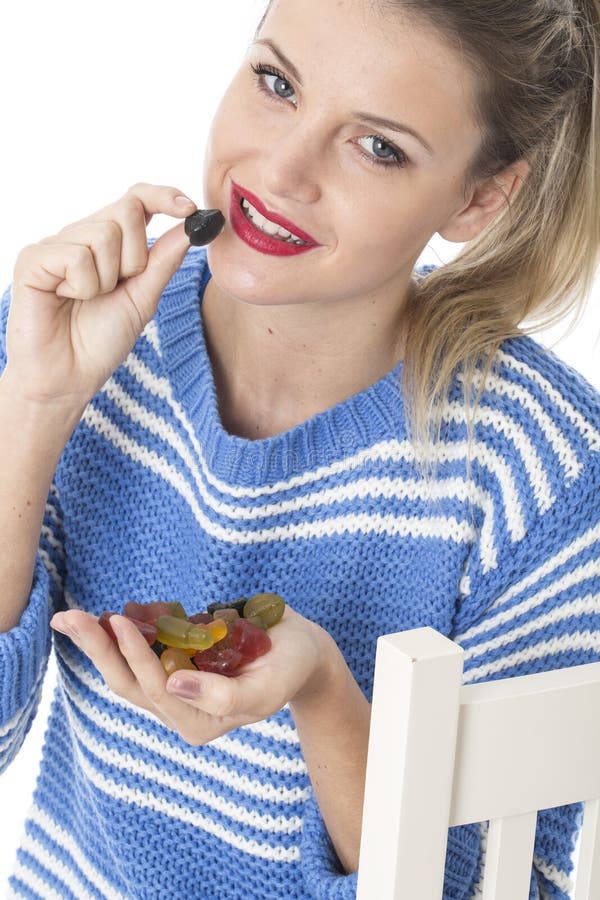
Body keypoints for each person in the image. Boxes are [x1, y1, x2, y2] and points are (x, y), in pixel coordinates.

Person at [1, 0, 599, 896]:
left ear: (479, 198)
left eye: (379, 146)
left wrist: (324, 693)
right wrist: (37, 406)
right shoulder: (63, 338)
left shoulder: (543, 472)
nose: (279, 171)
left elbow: (499, 888)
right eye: (277, 83)